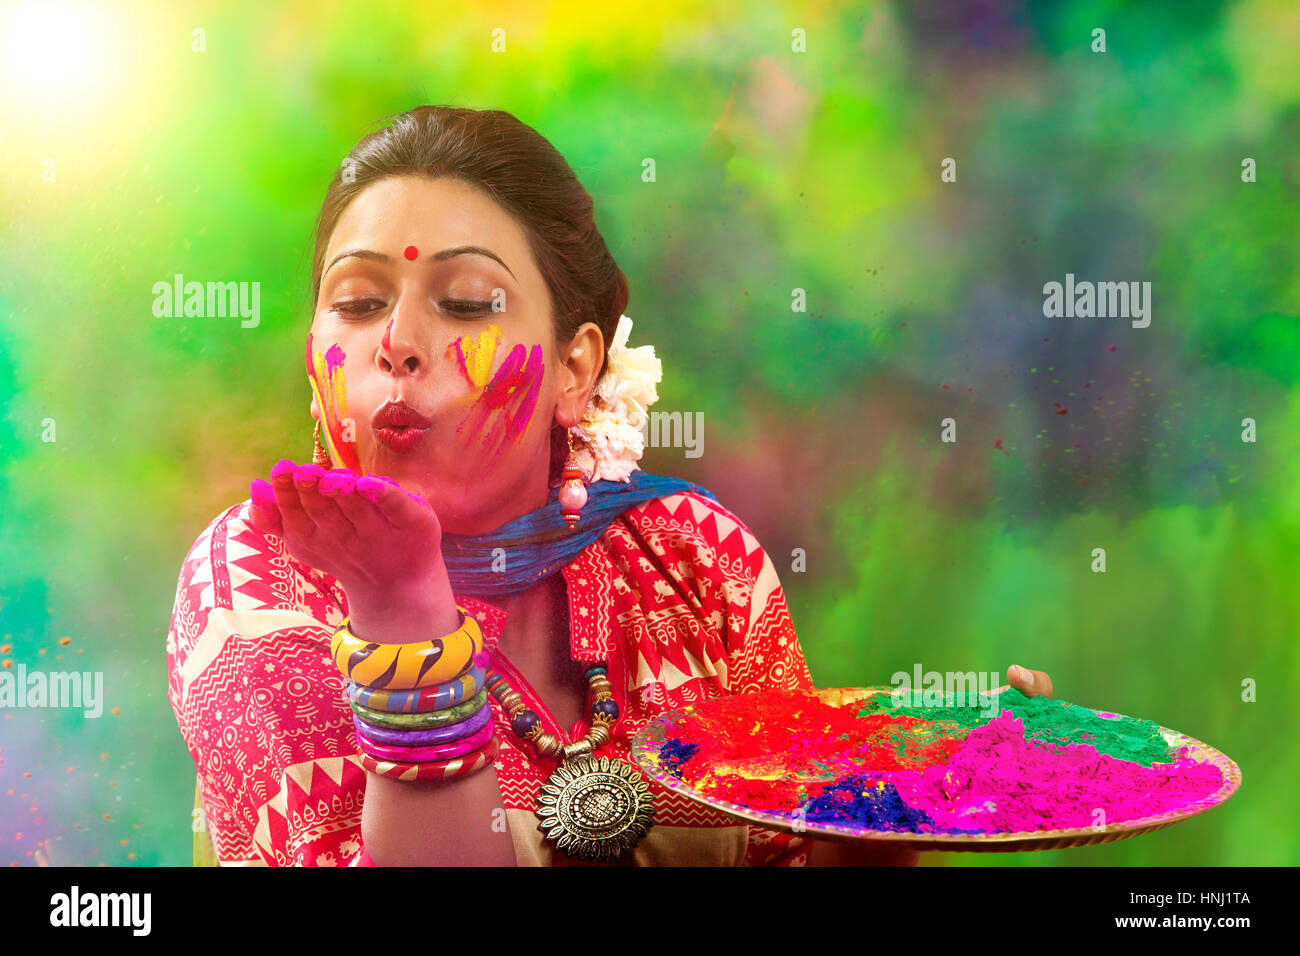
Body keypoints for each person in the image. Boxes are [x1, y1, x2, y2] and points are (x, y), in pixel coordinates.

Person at [166, 104, 1052, 866]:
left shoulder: (697, 559)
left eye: (467, 302)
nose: (396, 339)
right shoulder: (259, 573)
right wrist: (402, 615)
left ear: (574, 368)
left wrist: (895, 808)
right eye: (357, 303)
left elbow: (794, 847)